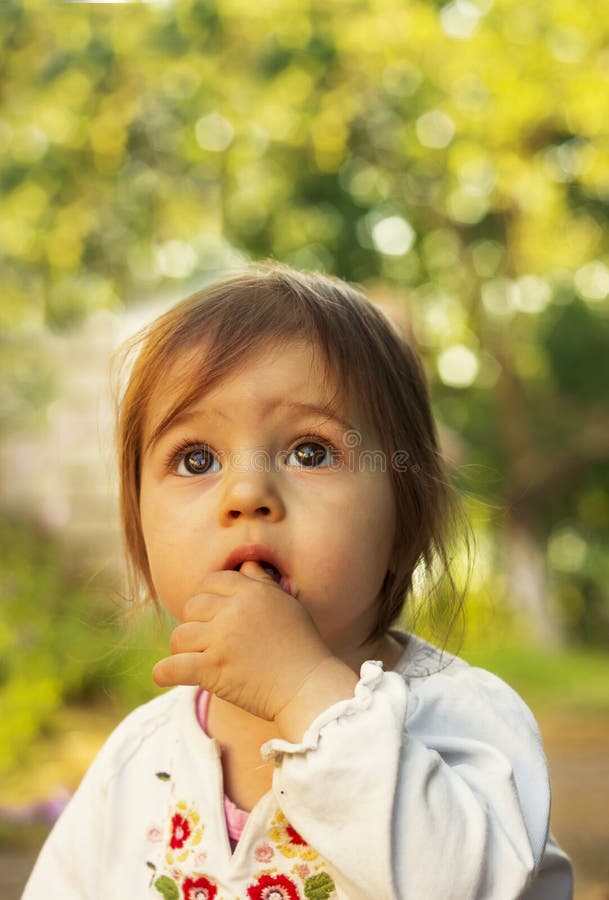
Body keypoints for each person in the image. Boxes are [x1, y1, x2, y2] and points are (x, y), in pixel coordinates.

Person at [23, 264, 572, 900]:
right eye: (196, 459)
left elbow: (466, 886)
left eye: (310, 452)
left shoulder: (463, 723)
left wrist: (306, 690)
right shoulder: (135, 763)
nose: (247, 491)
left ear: (407, 519)